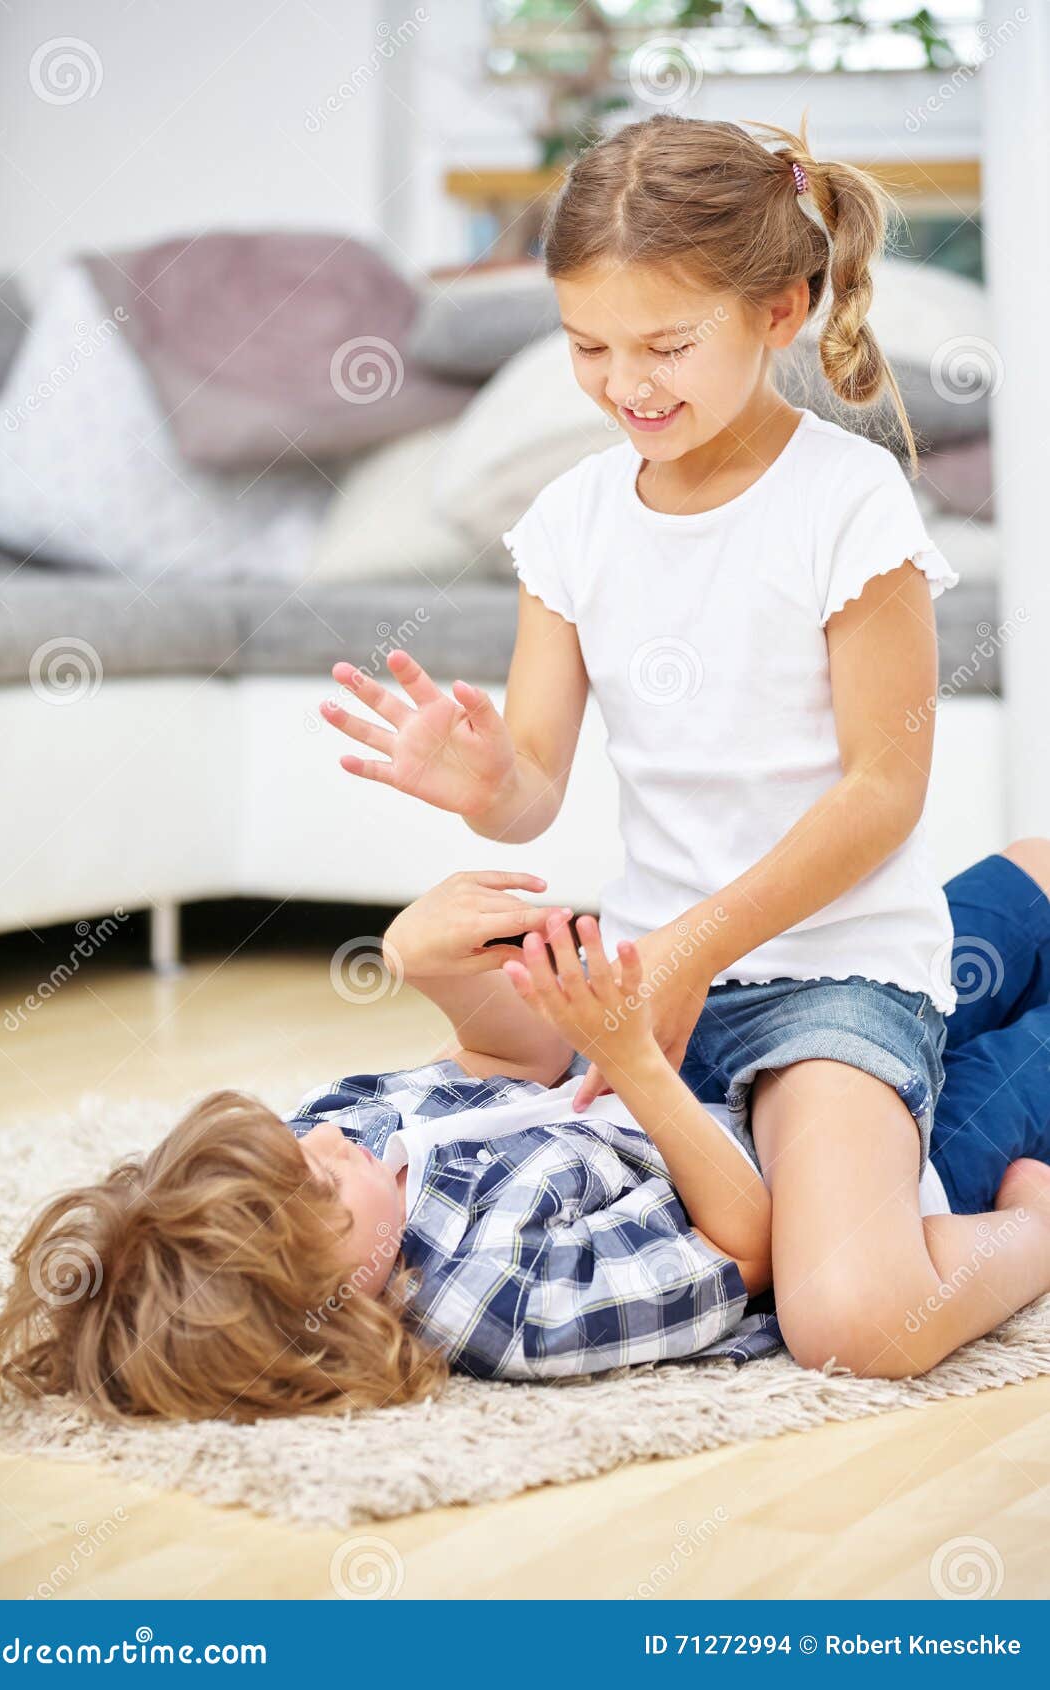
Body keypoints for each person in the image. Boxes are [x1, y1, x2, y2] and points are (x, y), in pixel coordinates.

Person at [318, 114, 969, 1372]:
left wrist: (685, 954)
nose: (626, 384)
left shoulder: (846, 501)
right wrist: (485, 782)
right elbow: (532, 789)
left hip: (830, 976)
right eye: (586, 346)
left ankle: (1023, 1224)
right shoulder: (570, 520)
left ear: (778, 311)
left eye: (667, 346)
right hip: (637, 978)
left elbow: (883, 791)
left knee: (849, 1323)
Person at [0, 845, 1050, 1421]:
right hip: (845, 1158)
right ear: (333, 1314)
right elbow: (750, 1240)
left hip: (738, 1017)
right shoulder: (503, 1305)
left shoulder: (344, 1141)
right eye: (314, 1187)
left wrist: (435, 969)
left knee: (1009, 893)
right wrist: (635, 1067)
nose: (324, 1146)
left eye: (287, 1145)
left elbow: (513, 1062)